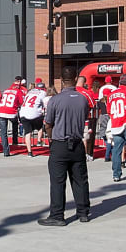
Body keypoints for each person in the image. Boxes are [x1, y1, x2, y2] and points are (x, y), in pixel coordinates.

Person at [39, 66, 92, 226]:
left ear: (61, 80)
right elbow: (84, 117)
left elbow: (48, 123)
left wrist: (51, 137)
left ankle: (57, 215)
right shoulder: (82, 99)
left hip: (60, 143)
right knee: (80, 179)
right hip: (77, 143)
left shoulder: (55, 100)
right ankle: (83, 212)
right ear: (75, 78)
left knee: (57, 181)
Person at [21, 79, 49, 157]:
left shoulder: (30, 91)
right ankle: (39, 140)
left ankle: (29, 152)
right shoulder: (43, 93)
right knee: (40, 126)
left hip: (23, 112)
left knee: (28, 132)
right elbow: (46, 104)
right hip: (34, 113)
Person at [0, 78, 24, 156]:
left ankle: (6, 151)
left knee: (3, 132)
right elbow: (21, 102)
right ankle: (15, 141)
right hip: (11, 111)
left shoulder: (6, 90)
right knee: (15, 123)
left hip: (2, 111)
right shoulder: (18, 91)